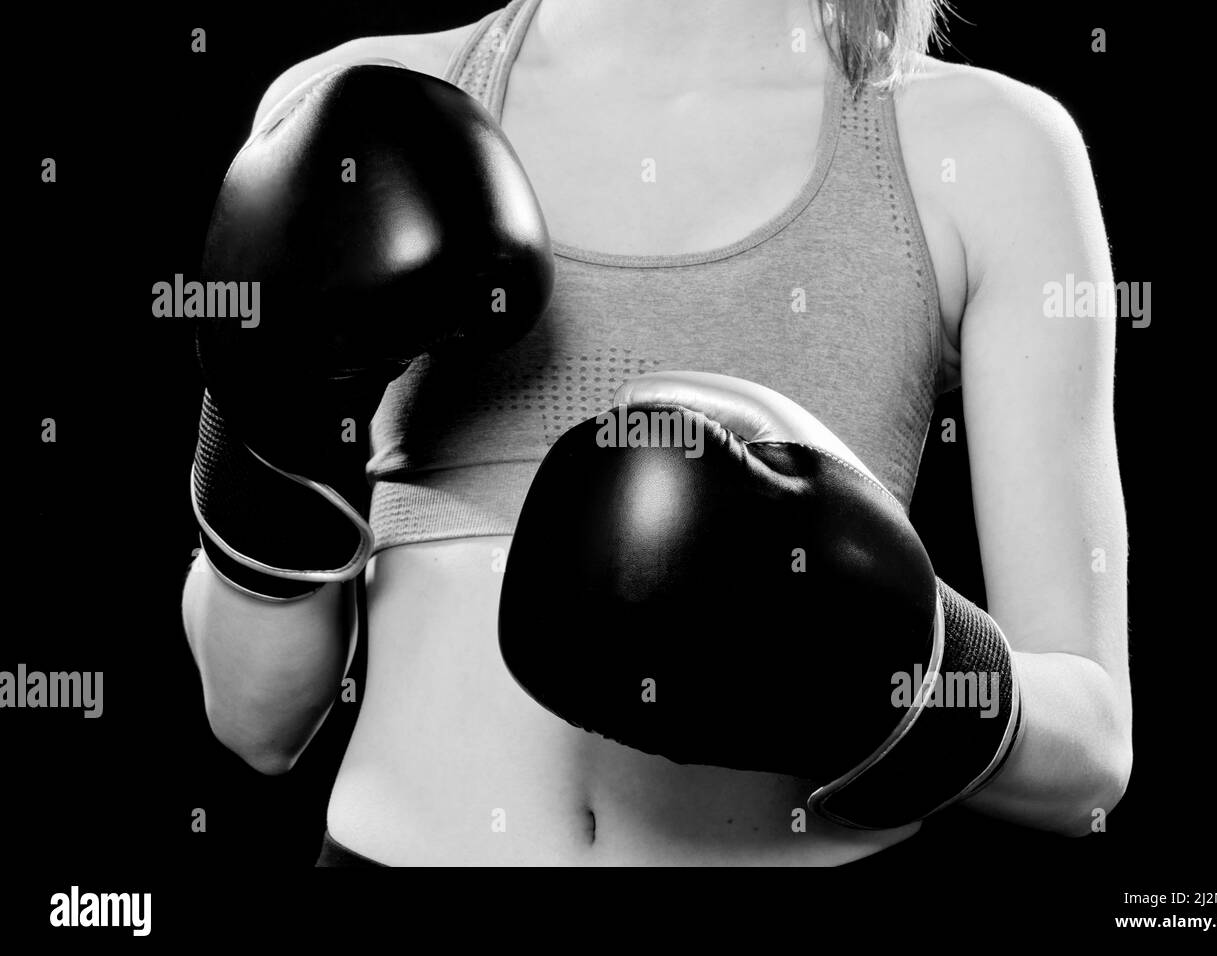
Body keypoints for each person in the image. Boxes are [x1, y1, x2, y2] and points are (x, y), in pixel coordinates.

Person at [182, 0, 1131, 866]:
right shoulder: (360, 107)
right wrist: (269, 425)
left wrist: (902, 666)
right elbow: (257, 720)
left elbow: (1089, 756)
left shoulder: (984, 149)